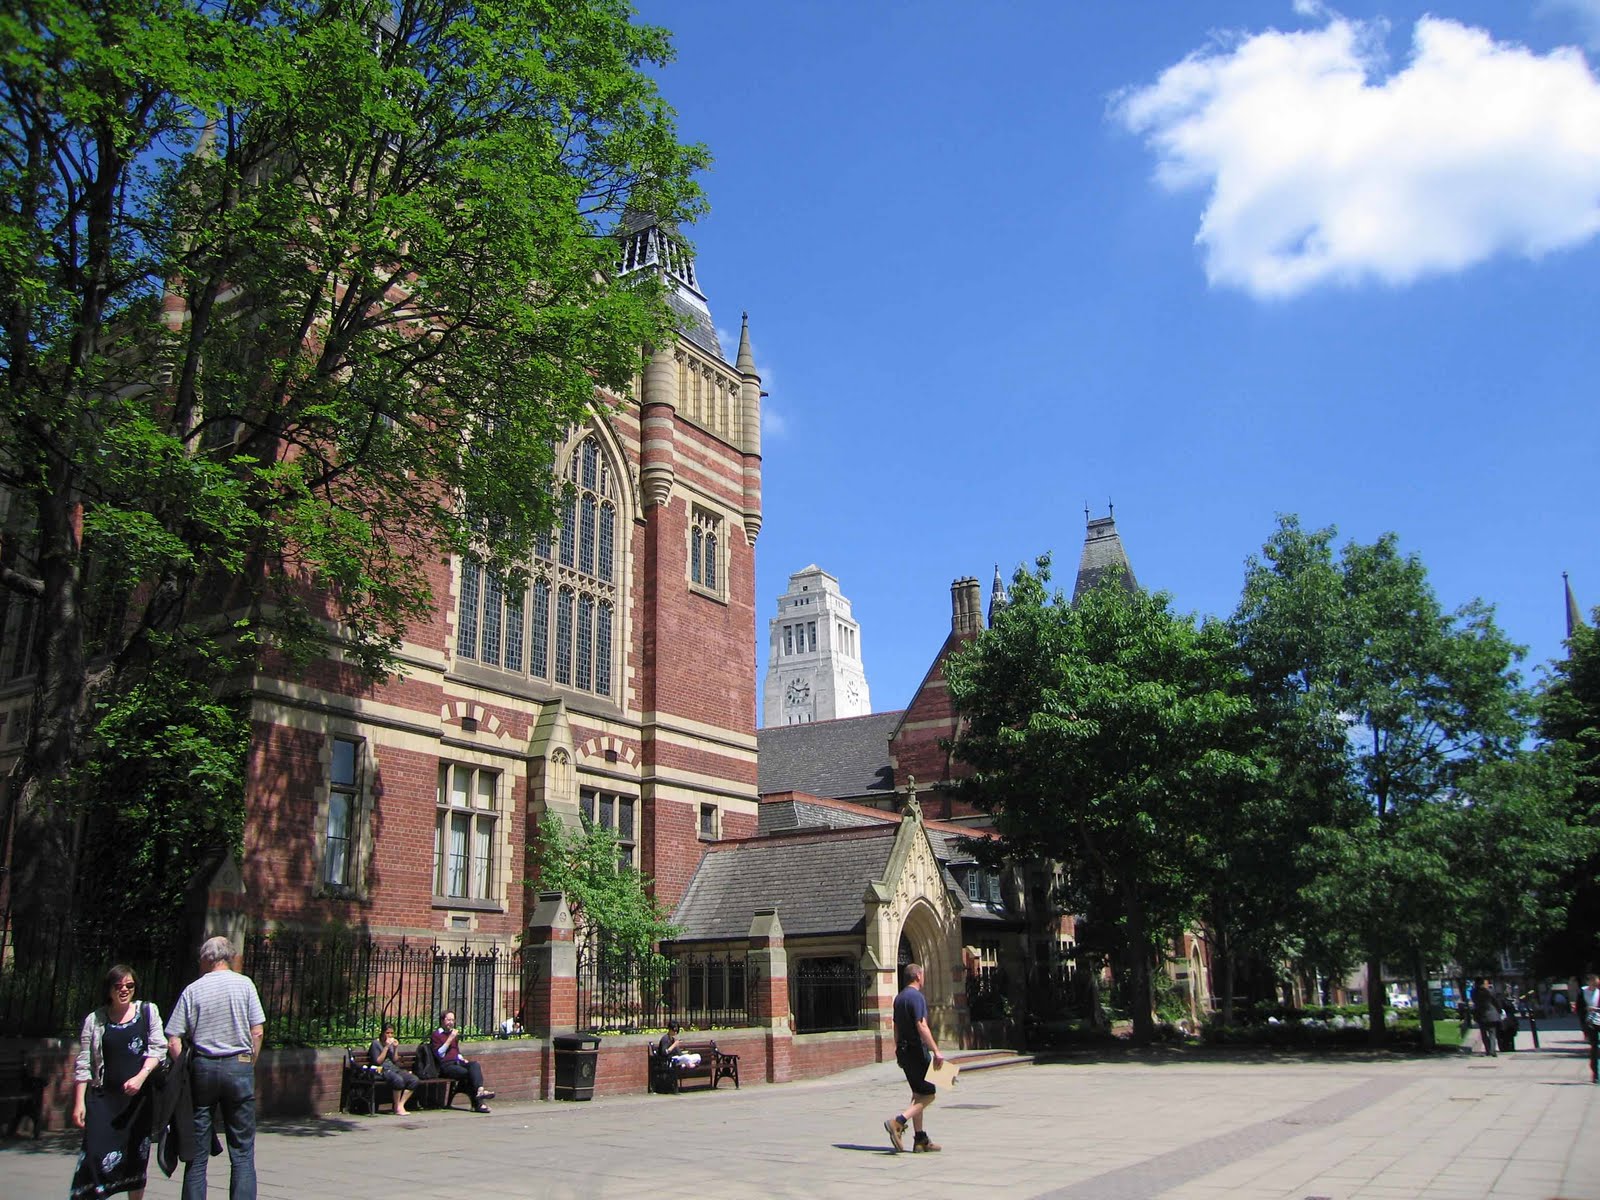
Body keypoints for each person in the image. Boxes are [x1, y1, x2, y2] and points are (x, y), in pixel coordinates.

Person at [165, 935, 265, 1200]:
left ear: (207, 958)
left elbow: (173, 1036)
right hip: (239, 1066)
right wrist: (249, 1063)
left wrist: (183, 1065)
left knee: (197, 1154)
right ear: (229, 956)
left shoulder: (193, 989)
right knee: (242, 1151)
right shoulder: (245, 985)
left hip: (203, 1068)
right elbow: (257, 1031)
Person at [71, 964, 167, 1200]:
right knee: (94, 1155)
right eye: (118, 986)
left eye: (129, 985)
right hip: (103, 1100)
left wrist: (141, 1076)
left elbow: (158, 1048)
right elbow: (84, 1063)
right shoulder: (95, 1019)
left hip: (137, 1102)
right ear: (109, 989)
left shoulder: (147, 1011)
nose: (124, 990)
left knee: (135, 1159)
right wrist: (79, 1103)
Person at [883, 962, 943, 1154]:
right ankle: (898, 1122)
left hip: (904, 1051)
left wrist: (898, 1050)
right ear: (918, 976)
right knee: (929, 1094)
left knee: (918, 1094)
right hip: (918, 1050)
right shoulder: (917, 997)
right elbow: (921, 1025)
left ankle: (920, 1139)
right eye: (923, 975)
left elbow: (896, 1028)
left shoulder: (899, 998)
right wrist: (936, 1051)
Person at [430, 1011, 494, 1113]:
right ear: (442, 1021)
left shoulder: (454, 1034)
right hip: (446, 1066)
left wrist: (461, 1058)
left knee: (474, 1065)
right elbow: (439, 1054)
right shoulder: (436, 1035)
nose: (451, 1022)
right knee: (469, 1075)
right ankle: (479, 1104)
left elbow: (456, 1050)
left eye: (452, 1020)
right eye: (448, 1020)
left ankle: (480, 1090)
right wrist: (450, 1038)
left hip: (458, 1062)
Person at [369, 1024, 419, 1115]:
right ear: (383, 1033)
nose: (390, 1035)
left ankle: (400, 1105)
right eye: (387, 1033)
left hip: (393, 1068)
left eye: (392, 1033)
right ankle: (396, 1107)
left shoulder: (391, 1044)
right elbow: (378, 1062)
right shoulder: (376, 1044)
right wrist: (386, 1047)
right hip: (380, 1069)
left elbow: (395, 1060)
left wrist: (395, 1048)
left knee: (413, 1080)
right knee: (398, 1080)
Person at [1471, 978, 1501, 1057]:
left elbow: (1475, 1002)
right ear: (1483, 983)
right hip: (1491, 1014)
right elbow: (1495, 1002)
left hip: (1481, 1014)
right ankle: (1492, 1050)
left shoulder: (1474, 992)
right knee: (1492, 1033)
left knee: (1484, 1033)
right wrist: (1499, 1010)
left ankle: (1488, 1050)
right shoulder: (1489, 991)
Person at [1580, 973, 1600, 1085]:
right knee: (1594, 1047)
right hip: (1590, 1022)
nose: (1595, 985)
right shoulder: (1582, 993)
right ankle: (1595, 1074)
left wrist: (1597, 1008)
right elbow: (1580, 1010)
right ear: (1588, 982)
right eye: (1593, 983)